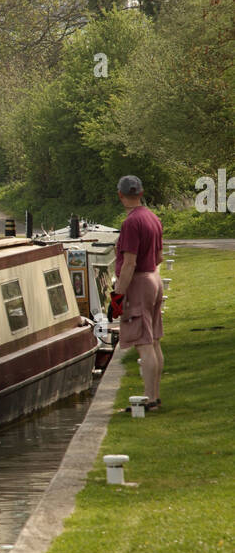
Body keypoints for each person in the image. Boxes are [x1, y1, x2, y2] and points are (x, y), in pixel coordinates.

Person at [110, 175, 164, 409]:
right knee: (154, 341)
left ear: (121, 195)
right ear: (141, 193)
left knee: (144, 343)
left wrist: (117, 298)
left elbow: (129, 263)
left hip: (140, 284)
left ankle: (150, 399)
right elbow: (159, 256)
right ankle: (154, 395)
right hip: (154, 278)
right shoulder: (153, 218)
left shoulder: (130, 223)